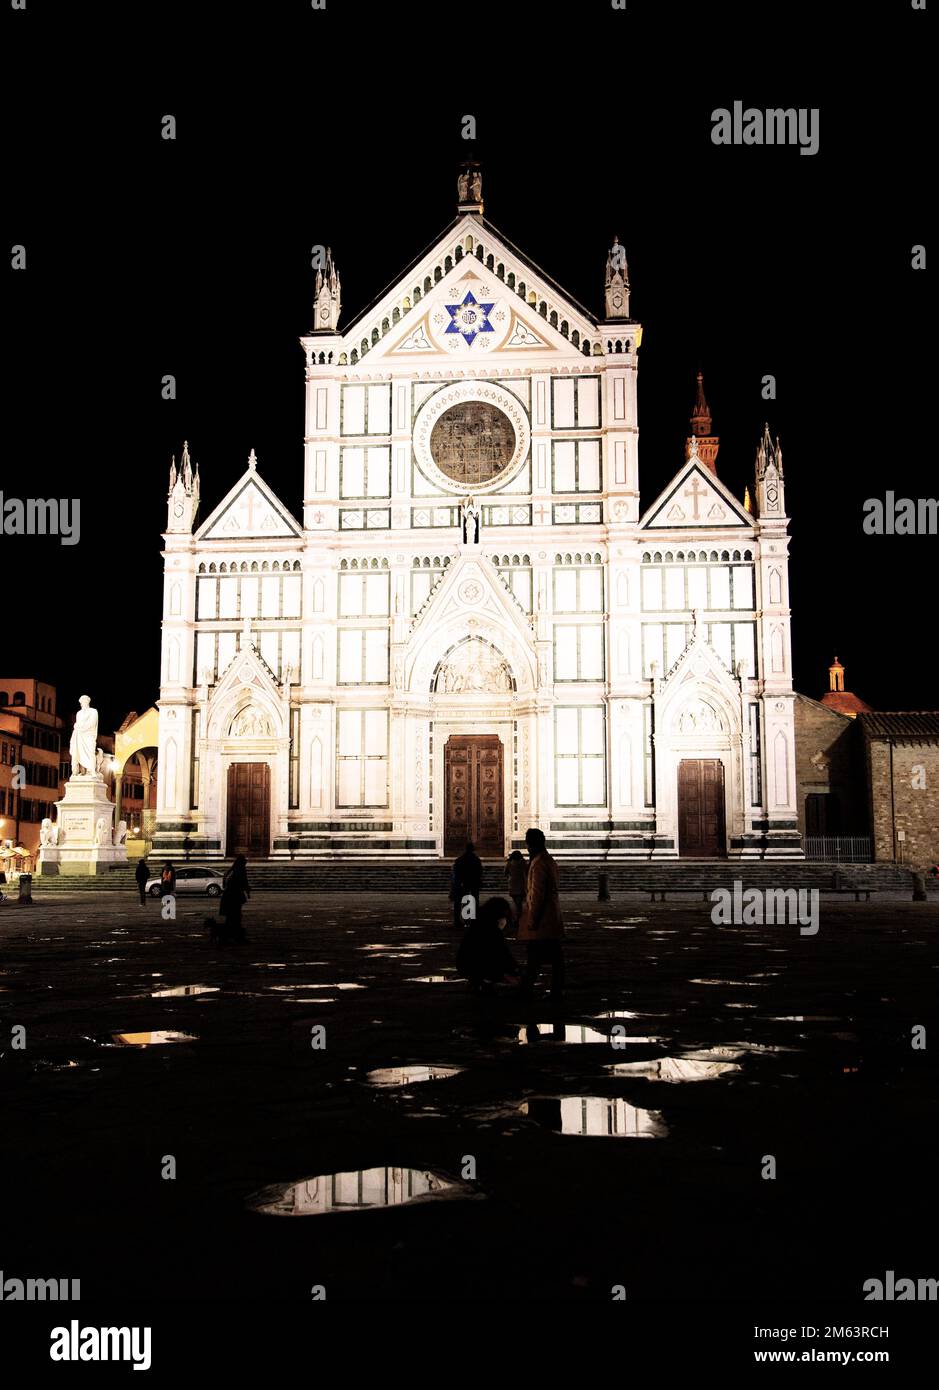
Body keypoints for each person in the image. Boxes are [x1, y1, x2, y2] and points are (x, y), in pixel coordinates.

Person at [517, 828, 565, 998]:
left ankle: (528, 990)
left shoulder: (539, 864)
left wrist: (533, 920)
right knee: (553, 958)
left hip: (543, 919)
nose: (528, 848)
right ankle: (554, 990)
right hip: (551, 916)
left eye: (528, 844)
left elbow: (537, 894)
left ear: (533, 844)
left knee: (536, 958)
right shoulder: (548, 860)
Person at [456, 897, 520, 993]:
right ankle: (485, 981)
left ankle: (479, 980)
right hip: (475, 965)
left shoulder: (478, 924)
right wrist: (515, 970)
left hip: (464, 964)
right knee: (497, 962)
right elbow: (502, 953)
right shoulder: (492, 930)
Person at [218, 855, 250, 943]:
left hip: (230, 897)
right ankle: (236, 937)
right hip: (233, 898)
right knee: (235, 917)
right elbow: (243, 883)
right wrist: (247, 890)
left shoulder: (232, 871)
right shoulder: (240, 871)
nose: (246, 862)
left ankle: (226, 937)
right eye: (244, 861)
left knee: (231, 918)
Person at [451, 840, 483, 930]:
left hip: (463, 883)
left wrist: (458, 882)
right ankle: (472, 920)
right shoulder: (476, 860)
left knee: (460, 902)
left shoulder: (460, 860)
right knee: (473, 901)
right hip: (473, 883)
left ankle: (458, 920)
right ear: (473, 849)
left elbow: (456, 872)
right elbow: (479, 872)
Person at [505, 850, 527, 920]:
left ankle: (517, 917)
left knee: (516, 902)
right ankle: (518, 918)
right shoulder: (523, 862)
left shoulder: (509, 863)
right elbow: (527, 872)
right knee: (519, 903)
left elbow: (505, 873)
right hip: (520, 884)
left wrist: (510, 876)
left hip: (512, 884)